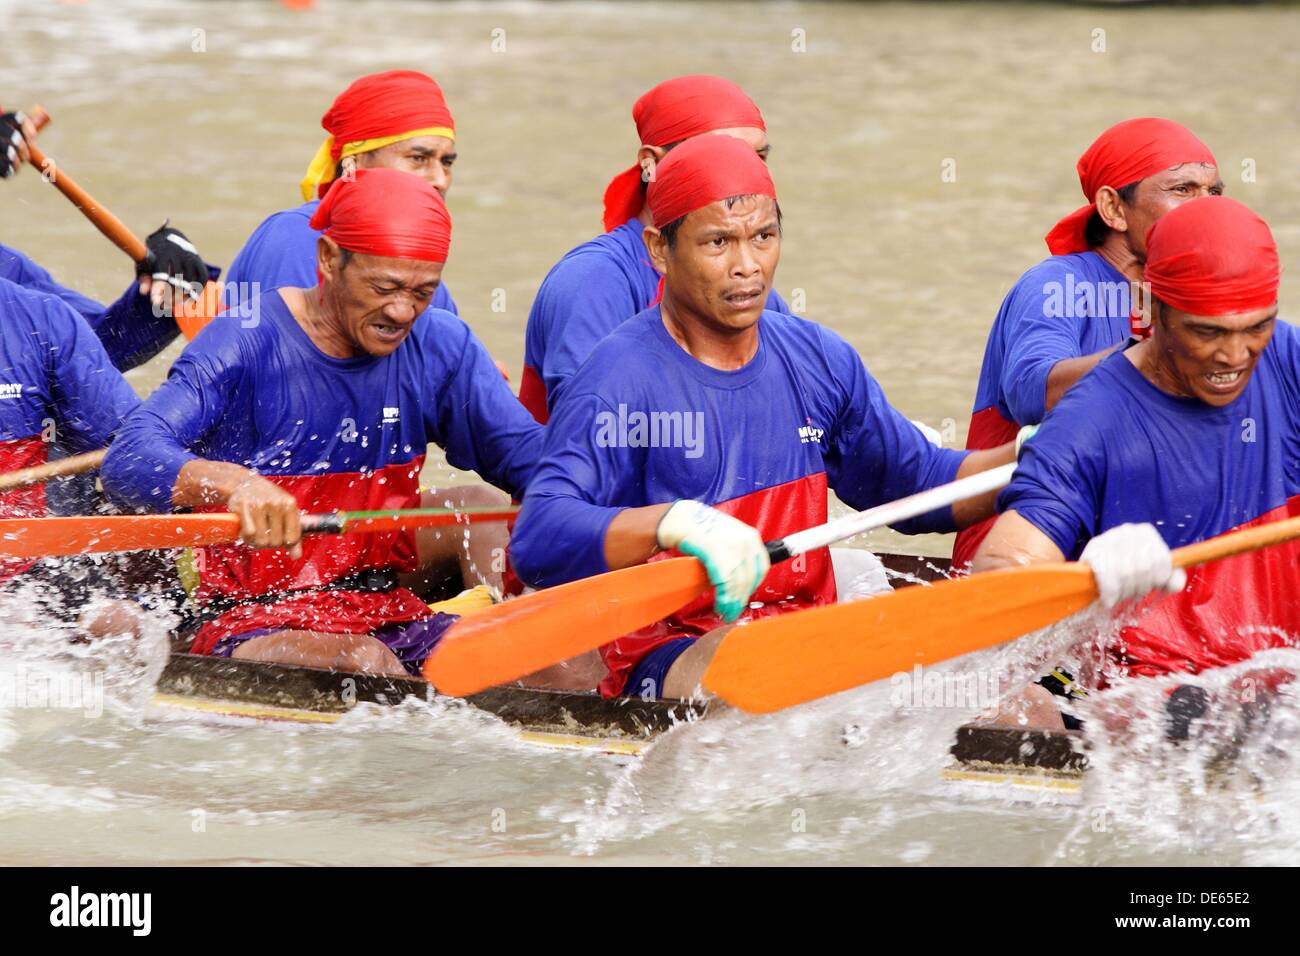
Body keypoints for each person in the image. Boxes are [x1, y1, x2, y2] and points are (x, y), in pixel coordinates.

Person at [511, 135, 1019, 700]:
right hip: (668, 653)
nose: (747, 266)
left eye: (764, 237)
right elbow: (538, 539)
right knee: (751, 661)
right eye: (718, 242)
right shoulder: (616, 382)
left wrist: (1028, 460)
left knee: (1020, 703)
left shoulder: (818, 358)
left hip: (805, 636)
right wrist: (673, 522)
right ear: (659, 249)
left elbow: (921, 486)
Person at [102, 169, 542, 677]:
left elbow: (532, 462)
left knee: (565, 665)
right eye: (385, 287)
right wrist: (235, 485)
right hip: (249, 619)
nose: (402, 311)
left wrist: (640, 501)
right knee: (366, 664)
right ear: (329, 260)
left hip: (382, 607)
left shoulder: (442, 345)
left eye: (423, 292)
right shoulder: (244, 338)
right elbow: (129, 455)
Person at [973, 196, 1295, 729]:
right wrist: (1089, 576)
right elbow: (1000, 575)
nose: (1235, 358)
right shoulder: (1091, 421)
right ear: (1148, 307)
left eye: (1256, 327)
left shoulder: (1286, 359)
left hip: (1278, 681)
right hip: (1156, 704)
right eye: (1207, 332)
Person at [953, 118, 1222, 567]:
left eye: (1214, 193)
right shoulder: (1056, 283)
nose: (1208, 209)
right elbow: (1031, 392)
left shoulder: (1204, 305)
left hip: (1141, 545)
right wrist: (1150, 353)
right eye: (1182, 190)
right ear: (1114, 208)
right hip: (1023, 545)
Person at [520, 75, 794, 423]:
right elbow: (592, 437)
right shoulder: (591, 282)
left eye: (758, 158)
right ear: (652, 164)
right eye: (717, 156)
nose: (743, 173)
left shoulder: (747, 288)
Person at [224, 71, 458, 321]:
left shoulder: (421, 267)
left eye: (446, 162)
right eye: (418, 159)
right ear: (354, 162)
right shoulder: (297, 238)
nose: (440, 180)